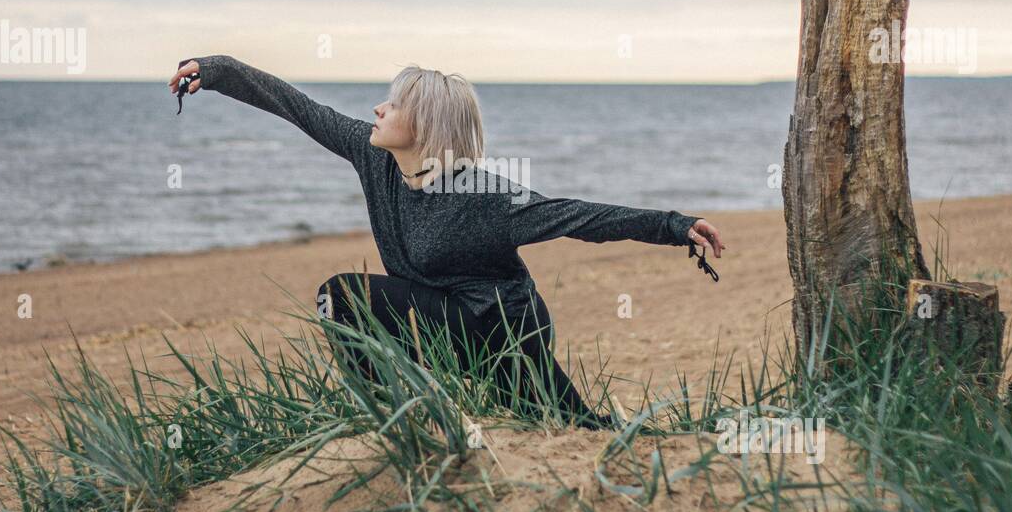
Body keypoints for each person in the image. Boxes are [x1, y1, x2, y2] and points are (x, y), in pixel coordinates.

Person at [169, 56, 725, 429]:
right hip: (443, 320)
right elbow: (298, 107)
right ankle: (393, 417)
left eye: (394, 103)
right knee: (342, 300)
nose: (378, 110)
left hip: (505, 330)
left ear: (429, 122)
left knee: (575, 425)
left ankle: (403, 414)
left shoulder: (481, 193)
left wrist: (675, 226)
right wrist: (215, 71)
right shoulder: (375, 158)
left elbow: (578, 217)